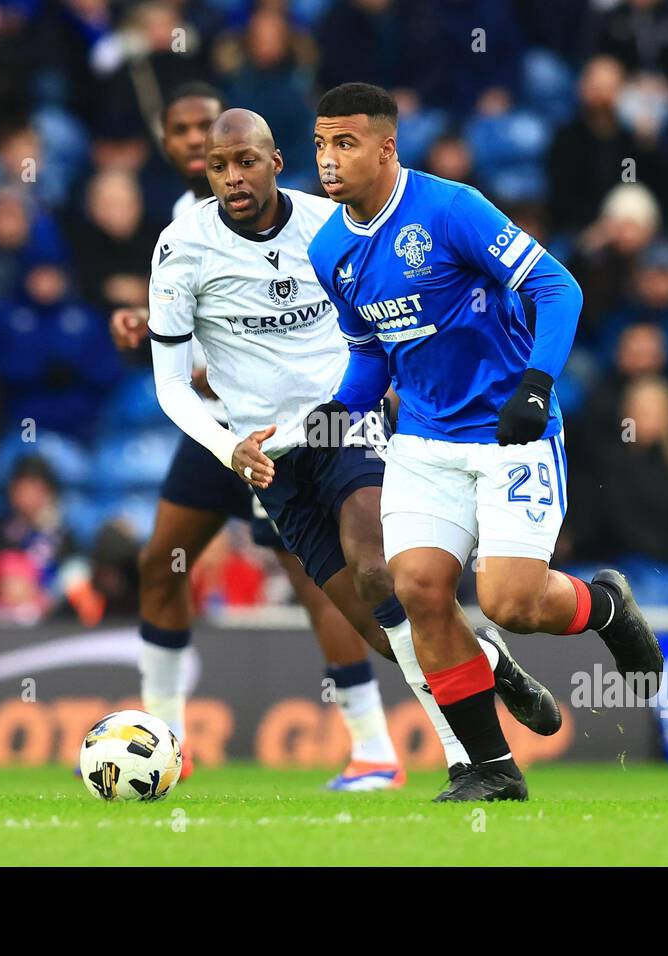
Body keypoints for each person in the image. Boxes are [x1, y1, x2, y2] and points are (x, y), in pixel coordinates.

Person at [147, 105, 559, 797]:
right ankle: (488, 662)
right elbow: (168, 384)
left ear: (276, 162)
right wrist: (228, 450)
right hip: (264, 453)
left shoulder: (330, 230)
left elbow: (385, 326)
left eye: (246, 161)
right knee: (376, 626)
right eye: (218, 168)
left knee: (379, 570)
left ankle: (471, 762)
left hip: (342, 421)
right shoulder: (180, 248)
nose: (233, 178)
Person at [306, 83, 660, 801]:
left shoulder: (450, 208)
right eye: (319, 144)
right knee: (418, 590)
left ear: (385, 147)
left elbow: (557, 288)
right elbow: (373, 353)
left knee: (510, 604)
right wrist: (336, 414)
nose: (329, 160)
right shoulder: (330, 249)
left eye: (345, 143)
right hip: (423, 442)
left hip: (510, 434)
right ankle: (493, 768)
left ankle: (606, 607)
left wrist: (536, 385)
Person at [113, 86, 411, 792]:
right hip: (219, 429)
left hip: (301, 429)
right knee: (163, 562)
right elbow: (177, 355)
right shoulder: (180, 232)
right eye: (185, 133)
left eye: (210, 133)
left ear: (269, 158)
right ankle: (166, 746)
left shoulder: (309, 219)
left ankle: (373, 749)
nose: (195, 142)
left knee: (317, 580)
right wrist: (137, 334)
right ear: (175, 147)